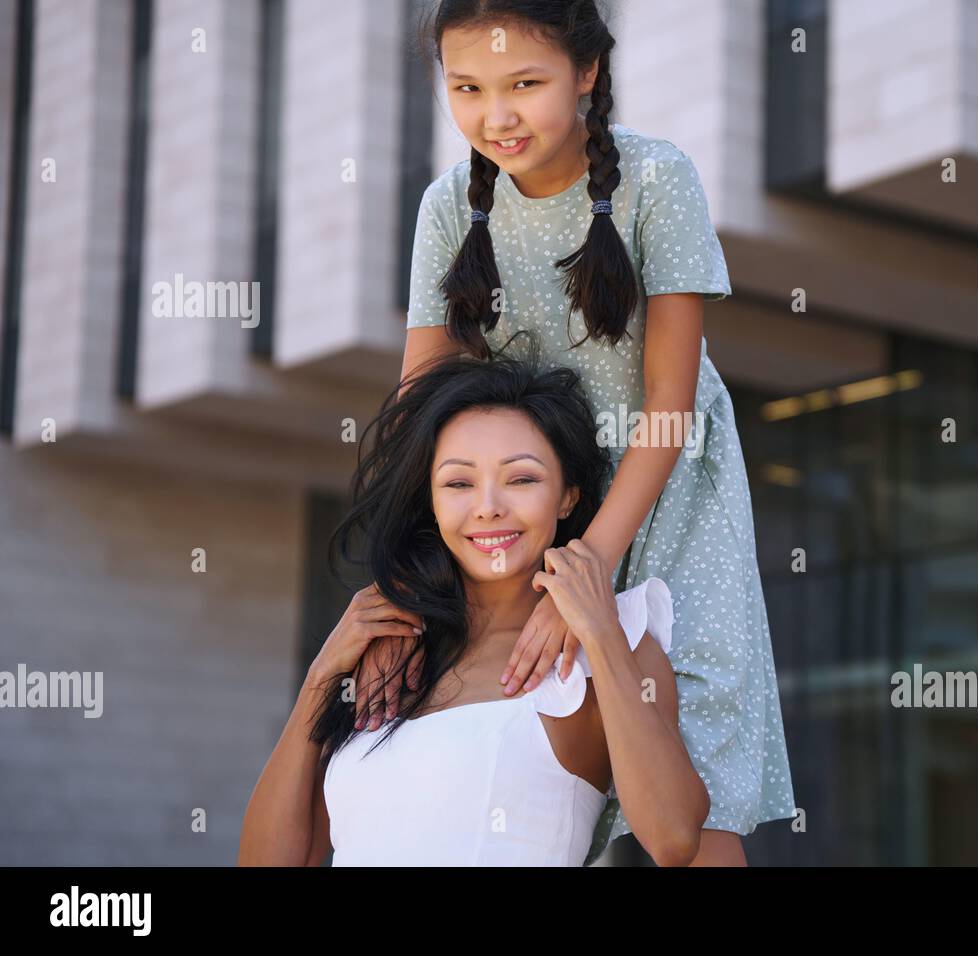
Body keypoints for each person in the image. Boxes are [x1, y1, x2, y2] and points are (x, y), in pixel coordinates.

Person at [359, 0, 797, 866]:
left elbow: (670, 403)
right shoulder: (448, 207)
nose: (496, 115)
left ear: (587, 72)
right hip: (540, 513)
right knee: (550, 780)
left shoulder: (657, 178)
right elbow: (420, 411)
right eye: (467, 88)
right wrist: (403, 590)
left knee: (695, 791)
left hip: (670, 504)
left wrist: (588, 571)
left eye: (525, 84)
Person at [239, 348, 709, 866]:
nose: (488, 507)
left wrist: (599, 629)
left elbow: (674, 839)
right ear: (431, 501)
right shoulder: (389, 658)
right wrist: (321, 678)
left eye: (522, 479)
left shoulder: (610, 645)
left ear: (568, 496)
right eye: (459, 483)